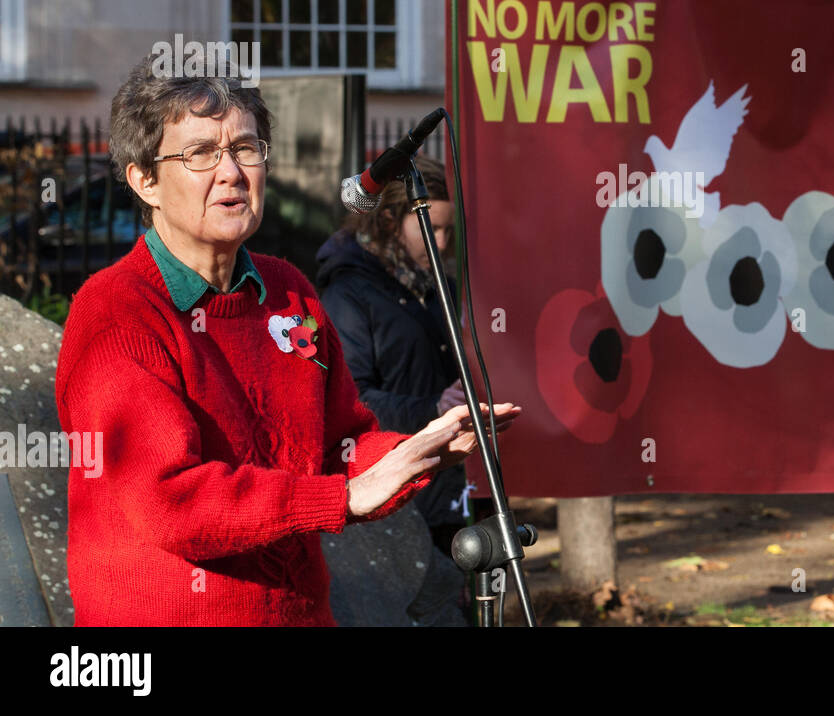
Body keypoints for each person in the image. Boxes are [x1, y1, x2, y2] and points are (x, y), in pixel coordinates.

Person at [54, 55, 520, 625]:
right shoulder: (116, 312)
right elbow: (171, 503)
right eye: (200, 153)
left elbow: (340, 446)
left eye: (246, 149)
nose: (230, 172)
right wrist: (341, 498)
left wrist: (415, 452)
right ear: (144, 180)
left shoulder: (287, 289)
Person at [315, 155, 474, 623]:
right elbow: (351, 400)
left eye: (447, 231)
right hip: (394, 493)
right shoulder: (348, 294)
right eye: (430, 230)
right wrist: (431, 407)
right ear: (388, 221)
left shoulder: (431, 284)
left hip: (446, 488)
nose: (441, 244)